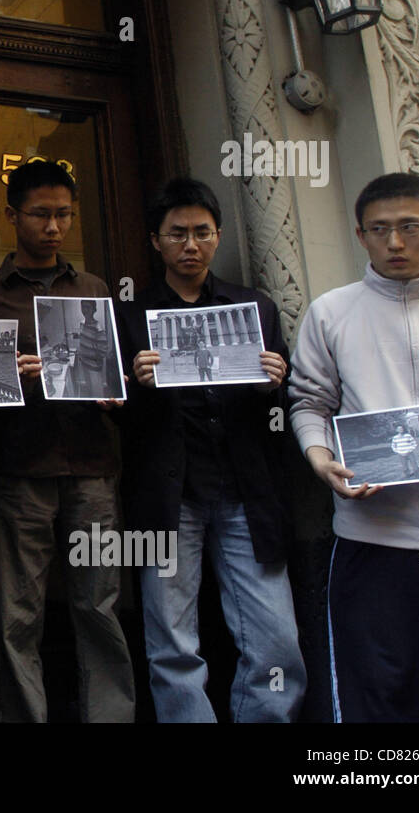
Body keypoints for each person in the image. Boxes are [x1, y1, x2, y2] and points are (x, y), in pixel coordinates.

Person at [289, 172, 419, 722]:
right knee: (378, 694)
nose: (395, 242)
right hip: (374, 535)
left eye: (410, 227)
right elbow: (309, 402)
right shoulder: (331, 312)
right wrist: (320, 460)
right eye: (380, 229)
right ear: (360, 234)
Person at [117, 178, 305, 723]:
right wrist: (136, 385)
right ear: (156, 240)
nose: (190, 245)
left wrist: (276, 381)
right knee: (172, 642)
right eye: (177, 234)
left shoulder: (254, 306)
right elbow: (108, 407)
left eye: (202, 232)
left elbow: (290, 399)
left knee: (275, 638)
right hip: (167, 494)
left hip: (247, 491)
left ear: (218, 237)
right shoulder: (130, 315)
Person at [0, 159, 135, 723]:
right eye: (41, 214)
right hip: (21, 469)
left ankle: (109, 717)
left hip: (92, 466)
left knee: (99, 605)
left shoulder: (93, 288)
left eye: (63, 214)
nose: (54, 227)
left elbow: (109, 370)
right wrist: (4, 374)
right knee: (18, 614)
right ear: (12, 216)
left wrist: (115, 391)